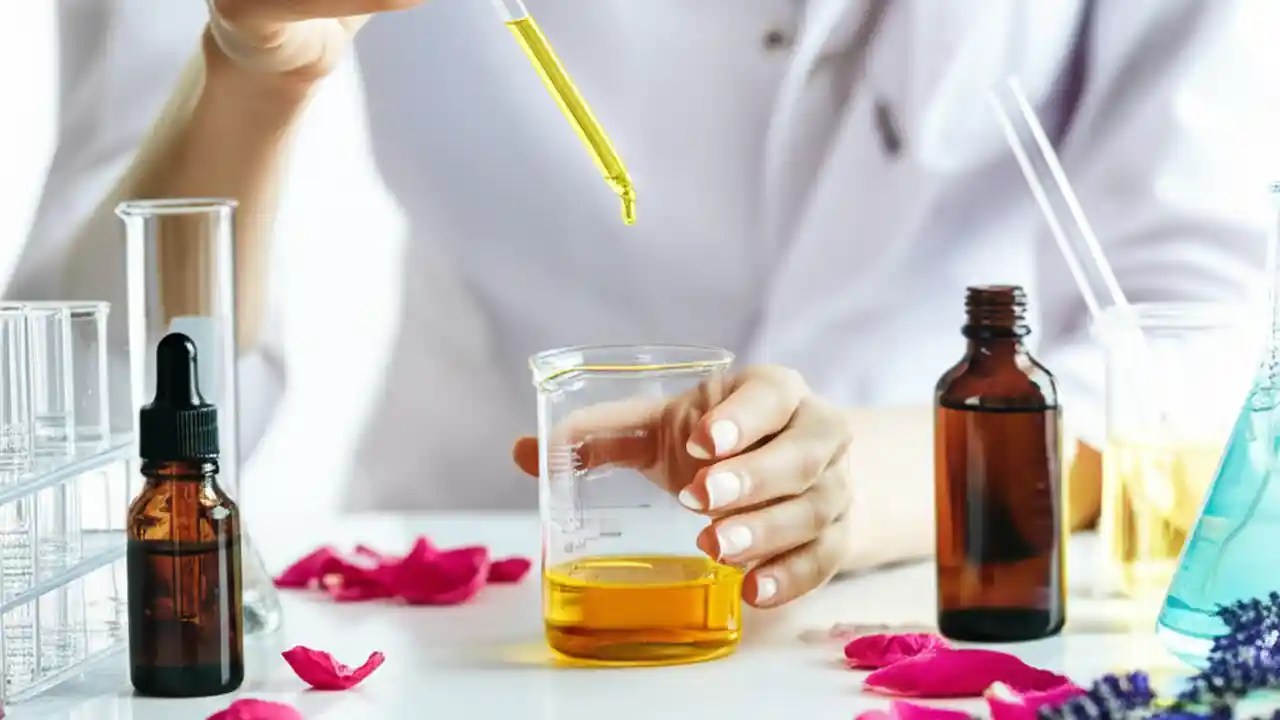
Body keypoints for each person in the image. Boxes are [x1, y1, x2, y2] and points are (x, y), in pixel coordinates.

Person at [7, 0, 1274, 609]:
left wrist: (870, 480)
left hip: (974, 585)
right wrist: (251, 68)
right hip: (496, 611)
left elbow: (1204, 330)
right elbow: (81, 411)